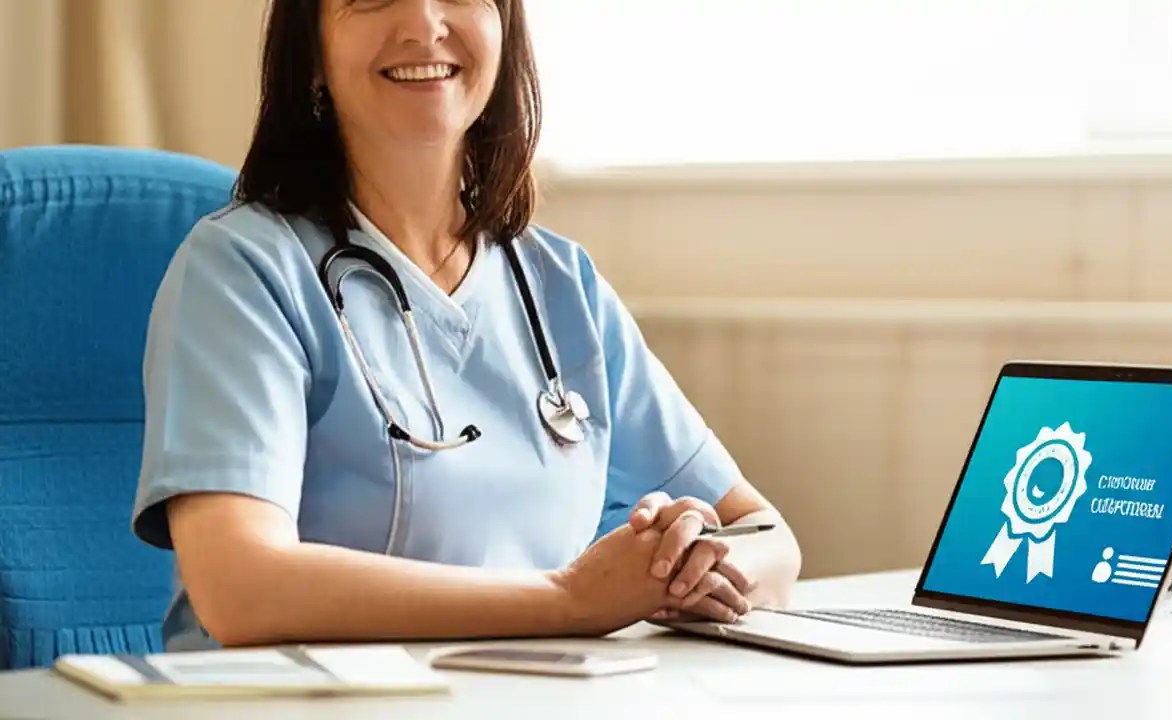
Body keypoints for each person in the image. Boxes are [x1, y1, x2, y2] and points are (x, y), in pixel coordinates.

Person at [131, 0, 801, 651]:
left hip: (525, 697)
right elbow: (240, 588)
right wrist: (567, 601)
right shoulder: (242, 269)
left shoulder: (560, 285)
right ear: (310, 48)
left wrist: (694, 564)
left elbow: (768, 537)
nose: (424, 22)